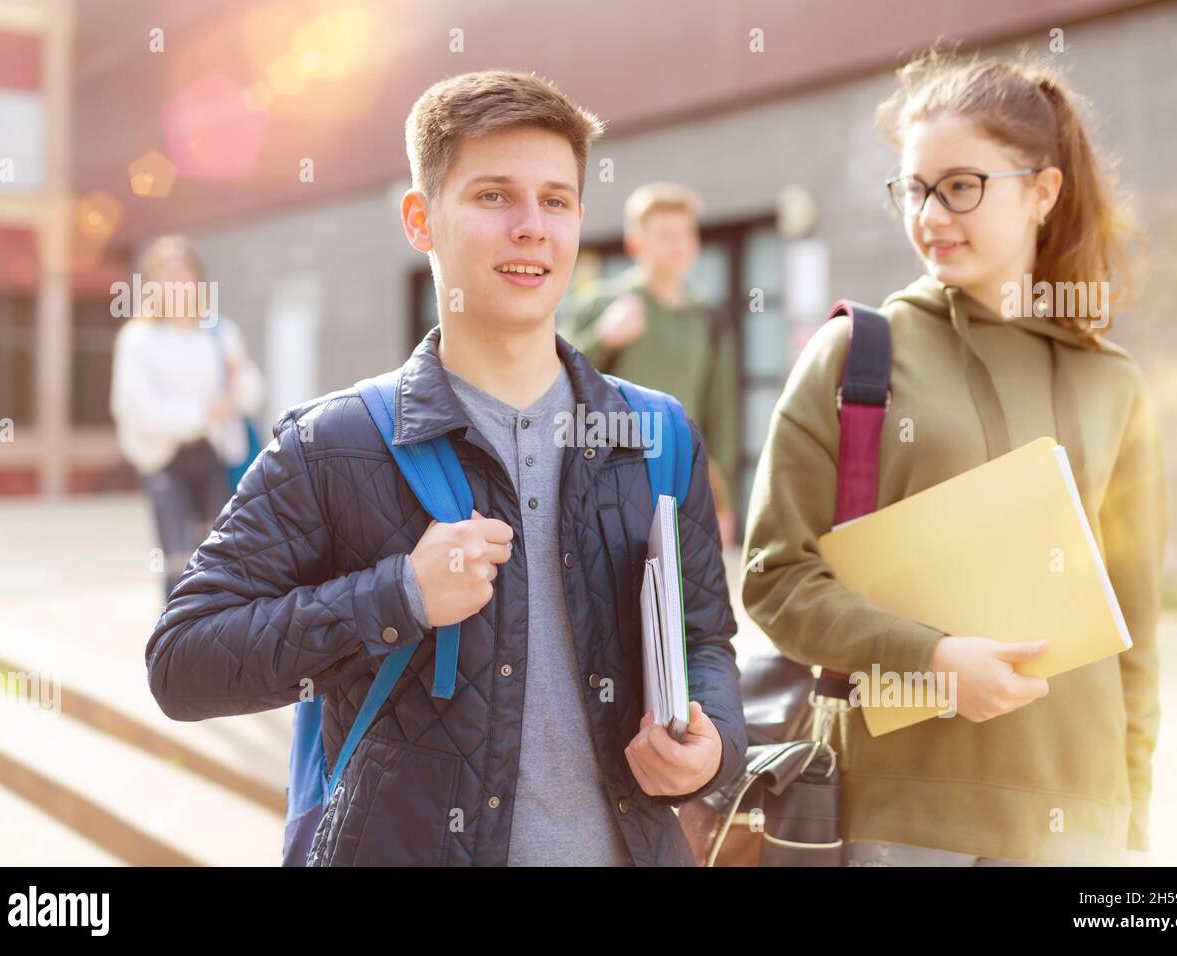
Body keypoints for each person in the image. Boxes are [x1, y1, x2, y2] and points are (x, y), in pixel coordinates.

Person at [145, 70, 746, 866]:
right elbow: (182, 663)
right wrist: (396, 595)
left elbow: (706, 643)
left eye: (556, 200)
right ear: (421, 220)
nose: (532, 227)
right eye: (494, 196)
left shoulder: (656, 434)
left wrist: (712, 752)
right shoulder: (333, 444)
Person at [741, 51, 1167, 866]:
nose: (931, 214)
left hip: (1075, 814)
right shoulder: (855, 354)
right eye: (914, 187)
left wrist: (1131, 821)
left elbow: (1134, 632)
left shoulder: (1115, 385)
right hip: (901, 812)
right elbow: (774, 578)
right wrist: (929, 659)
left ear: (1042, 191)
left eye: (961, 185)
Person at [564, 182, 741, 547]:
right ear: (636, 242)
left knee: (682, 599)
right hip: (609, 485)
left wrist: (724, 502)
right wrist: (603, 337)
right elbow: (554, 381)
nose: (678, 244)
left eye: (686, 233)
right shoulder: (603, 304)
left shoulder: (709, 318)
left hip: (682, 483)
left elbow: (723, 413)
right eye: (665, 234)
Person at [110, 235, 264, 596]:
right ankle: (173, 647)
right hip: (165, 462)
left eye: (184, 273)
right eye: (167, 274)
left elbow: (252, 391)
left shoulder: (220, 332)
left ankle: (216, 645)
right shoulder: (138, 339)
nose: (177, 283)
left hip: (215, 459)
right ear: (152, 283)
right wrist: (204, 412)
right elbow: (136, 408)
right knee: (178, 563)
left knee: (218, 560)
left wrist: (237, 382)